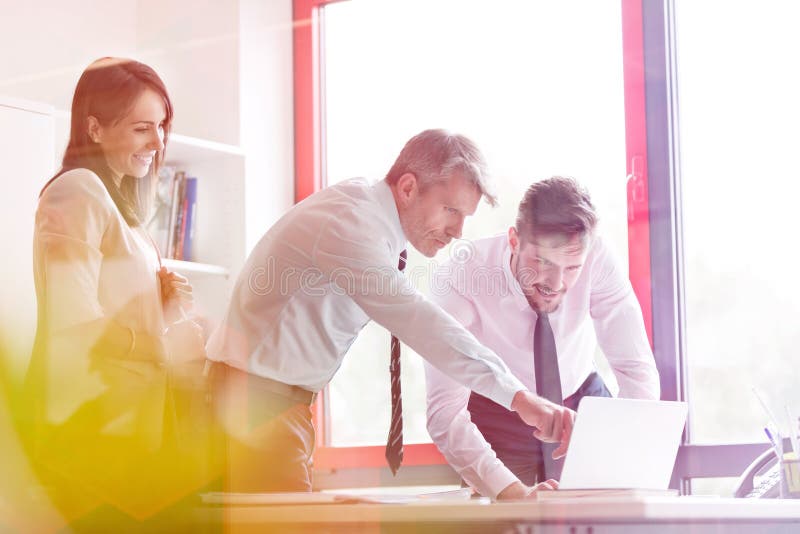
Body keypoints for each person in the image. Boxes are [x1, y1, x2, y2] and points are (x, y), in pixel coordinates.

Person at [205, 129, 575, 492]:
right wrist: (519, 397)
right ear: (409, 187)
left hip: (271, 404)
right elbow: (422, 323)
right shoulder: (351, 224)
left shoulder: (370, 214)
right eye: (450, 210)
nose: (458, 230)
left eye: (465, 216)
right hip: (258, 406)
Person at [24, 57, 208, 521]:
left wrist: (162, 303)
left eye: (162, 126)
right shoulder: (78, 190)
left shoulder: (118, 207)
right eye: (142, 128)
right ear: (95, 128)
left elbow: (114, 316)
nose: (158, 142)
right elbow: (76, 323)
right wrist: (161, 344)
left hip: (127, 438)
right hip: (87, 441)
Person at [425, 176, 660, 500]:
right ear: (514, 240)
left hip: (580, 398)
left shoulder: (599, 258)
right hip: (497, 411)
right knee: (507, 522)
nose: (555, 282)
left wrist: (625, 456)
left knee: (604, 517)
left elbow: (634, 368)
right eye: (541, 262)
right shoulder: (462, 276)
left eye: (572, 268)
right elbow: (445, 414)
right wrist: (512, 493)